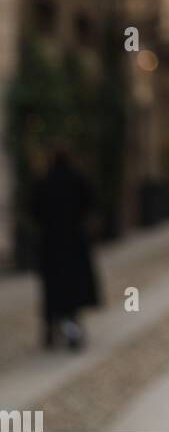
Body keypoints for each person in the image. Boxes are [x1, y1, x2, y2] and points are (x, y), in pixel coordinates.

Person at [30, 143, 102, 350]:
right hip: (73, 244)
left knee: (52, 293)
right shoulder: (78, 180)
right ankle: (72, 334)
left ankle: (49, 333)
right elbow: (90, 205)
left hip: (50, 244)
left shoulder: (44, 182)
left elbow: (34, 211)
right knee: (71, 296)